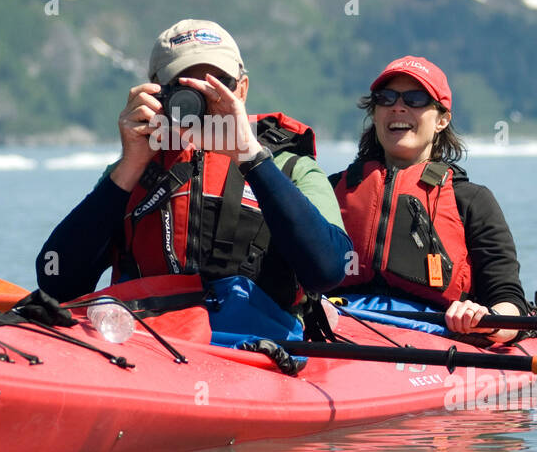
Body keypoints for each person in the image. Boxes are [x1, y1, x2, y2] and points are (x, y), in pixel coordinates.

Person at [36, 20, 351, 322]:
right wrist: (129, 165)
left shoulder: (290, 166)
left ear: (241, 90)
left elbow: (328, 272)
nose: (202, 101)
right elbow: (58, 282)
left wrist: (252, 158)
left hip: (259, 350)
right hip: (150, 345)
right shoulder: (131, 172)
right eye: (184, 88)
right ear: (156, 93)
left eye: (216, 86)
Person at [330, 56, 527, 344]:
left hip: (432, 334)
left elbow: (511, 306)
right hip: (336, 325)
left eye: (416, 98)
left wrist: (482, 318)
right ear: (375, 113)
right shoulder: (331, 189)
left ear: (442, 120)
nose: (398, 106)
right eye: (386, 98)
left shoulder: (472, 201)